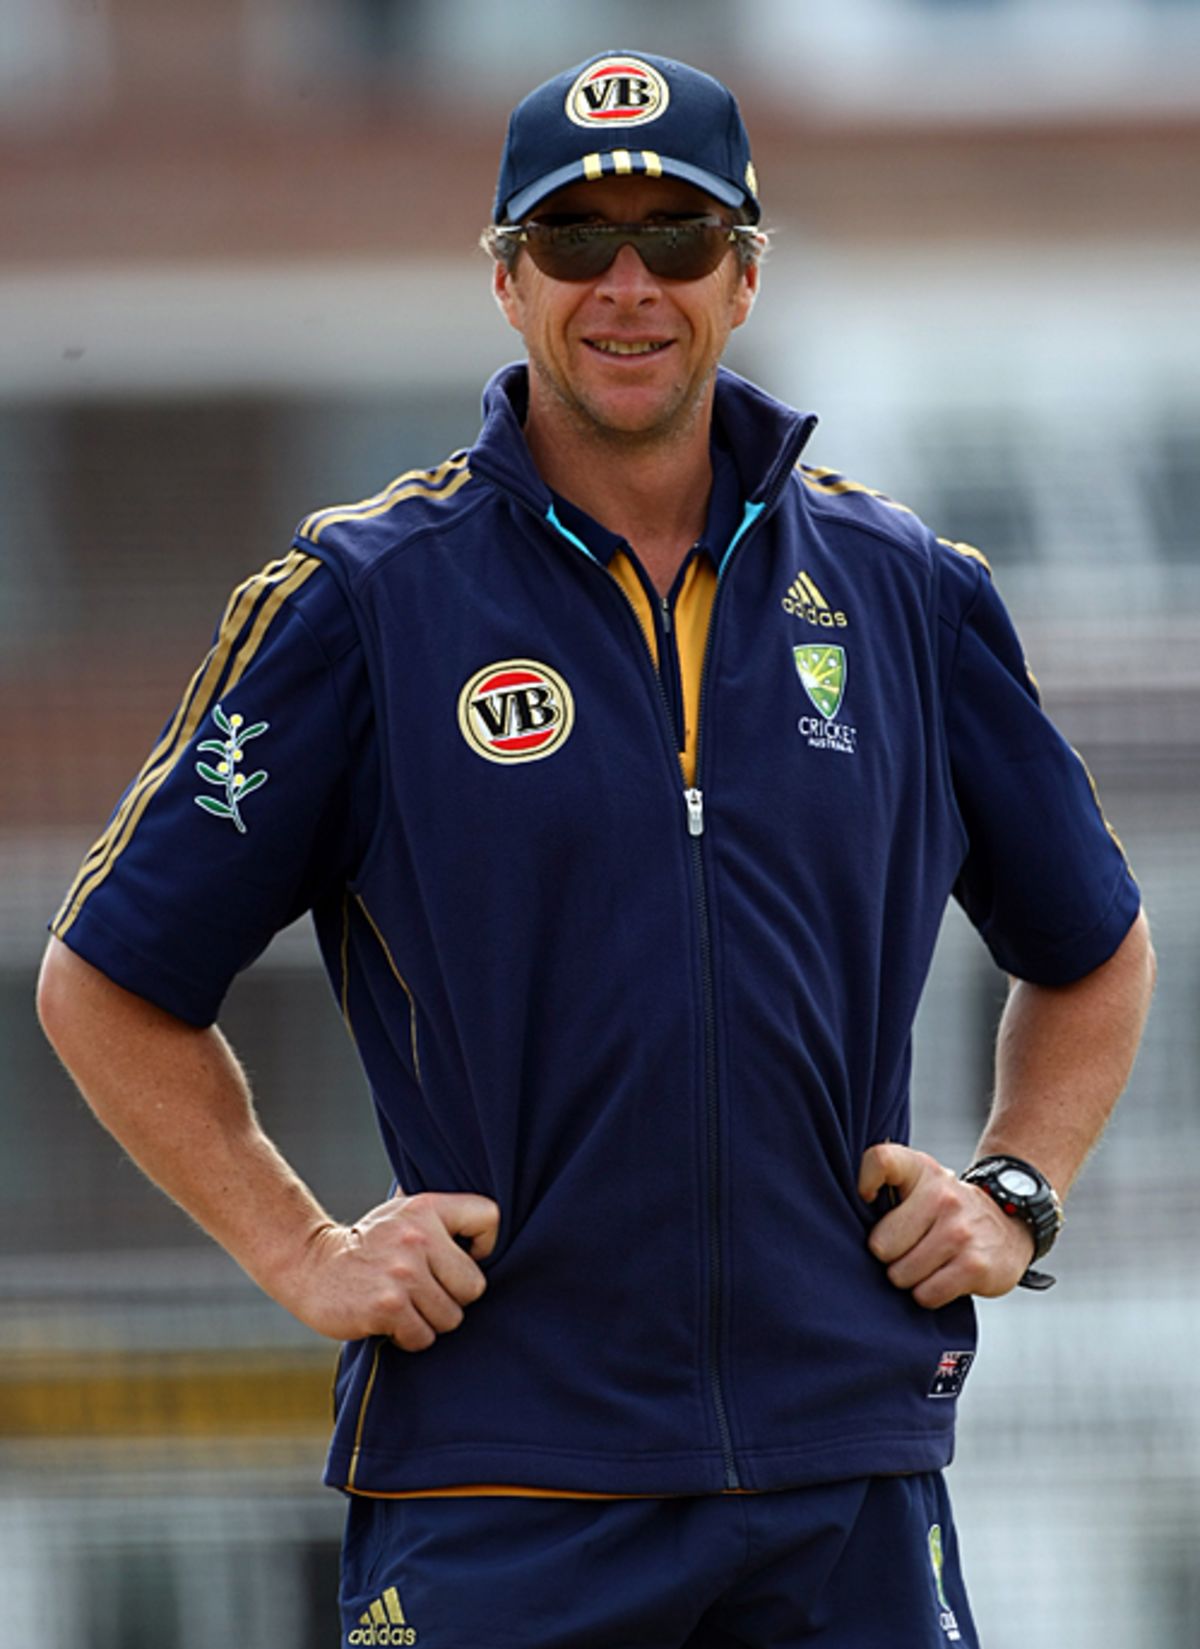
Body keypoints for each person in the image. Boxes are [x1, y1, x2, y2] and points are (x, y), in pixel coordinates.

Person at [38, 48, 1154, 1649]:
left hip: (844, 1483)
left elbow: (1096, 947)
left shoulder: (910, 594)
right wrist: (305, 1249)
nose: (627, 288)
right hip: (505, 1497)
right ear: (505, 281)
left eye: (677, 241)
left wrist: (1017, 1189)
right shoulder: (363, 601)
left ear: (746, 275)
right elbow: (107, 984)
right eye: (574, 243)